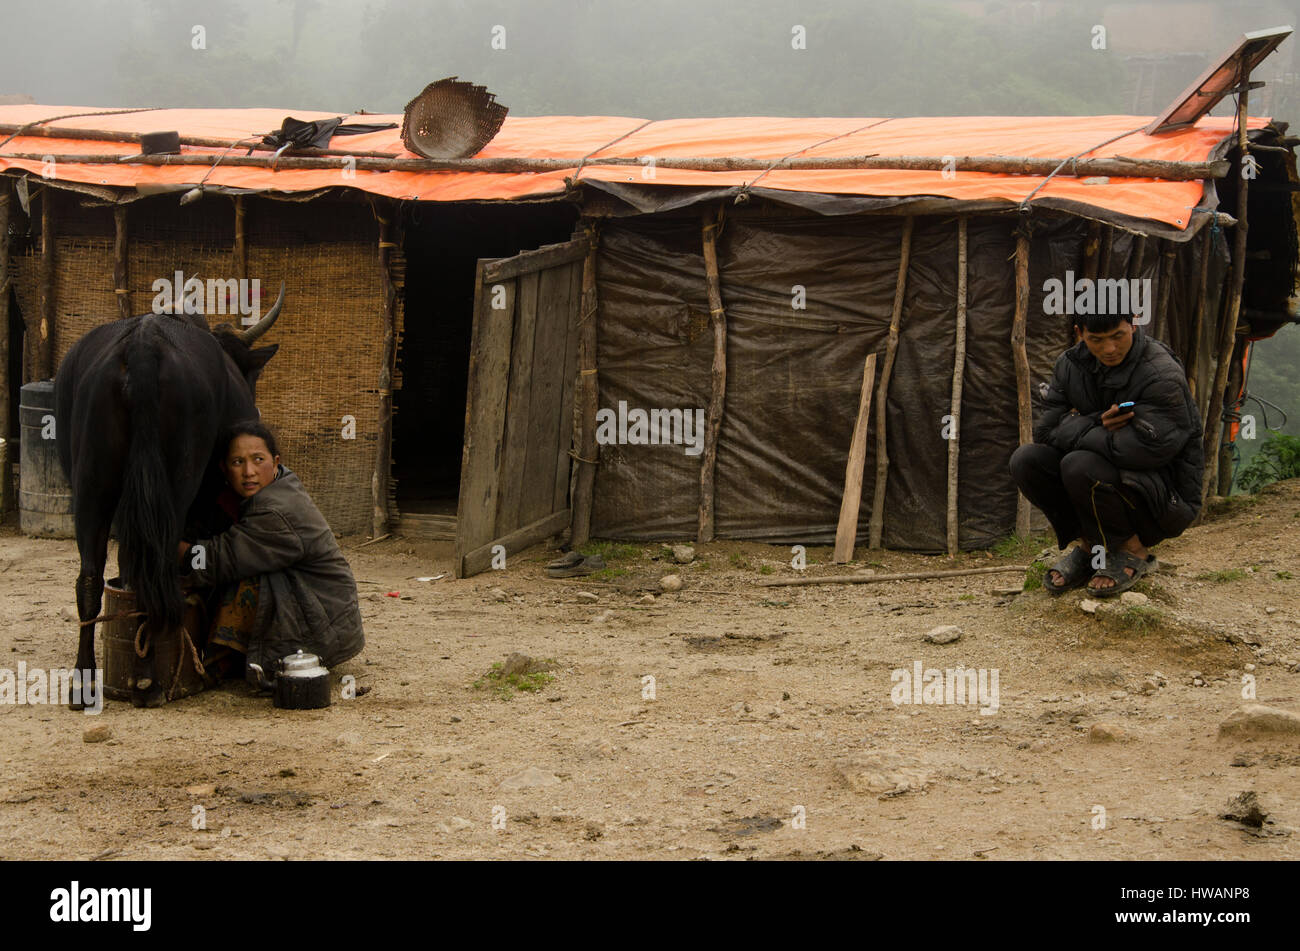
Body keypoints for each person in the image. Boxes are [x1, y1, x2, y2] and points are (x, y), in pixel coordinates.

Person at [1008, 308, 1203, 597]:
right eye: (1096, 339)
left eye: (1117, 336)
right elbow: (1046, 435)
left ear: (1133, 324)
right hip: (1109, 478)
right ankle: (1092, 547)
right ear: (1079, 333)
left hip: (1163, 499)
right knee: (1026, 461)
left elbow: (1149, 449)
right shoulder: (1070, 364)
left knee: (1079, 463)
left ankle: (1132, 550)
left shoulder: (1160, 372)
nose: (1109, 349)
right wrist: (1098, 421)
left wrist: (1075, 424)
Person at [177, 420, 364, 685]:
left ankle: (222, 663)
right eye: (237, 462)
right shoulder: (278, 486)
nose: (249, 472)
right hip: (325, 614)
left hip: (325, 625)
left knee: (246, 575)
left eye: (258, 459)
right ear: (224, 469)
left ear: (275, 462)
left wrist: (169, 546)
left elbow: (218, 560)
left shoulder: (276, 511)